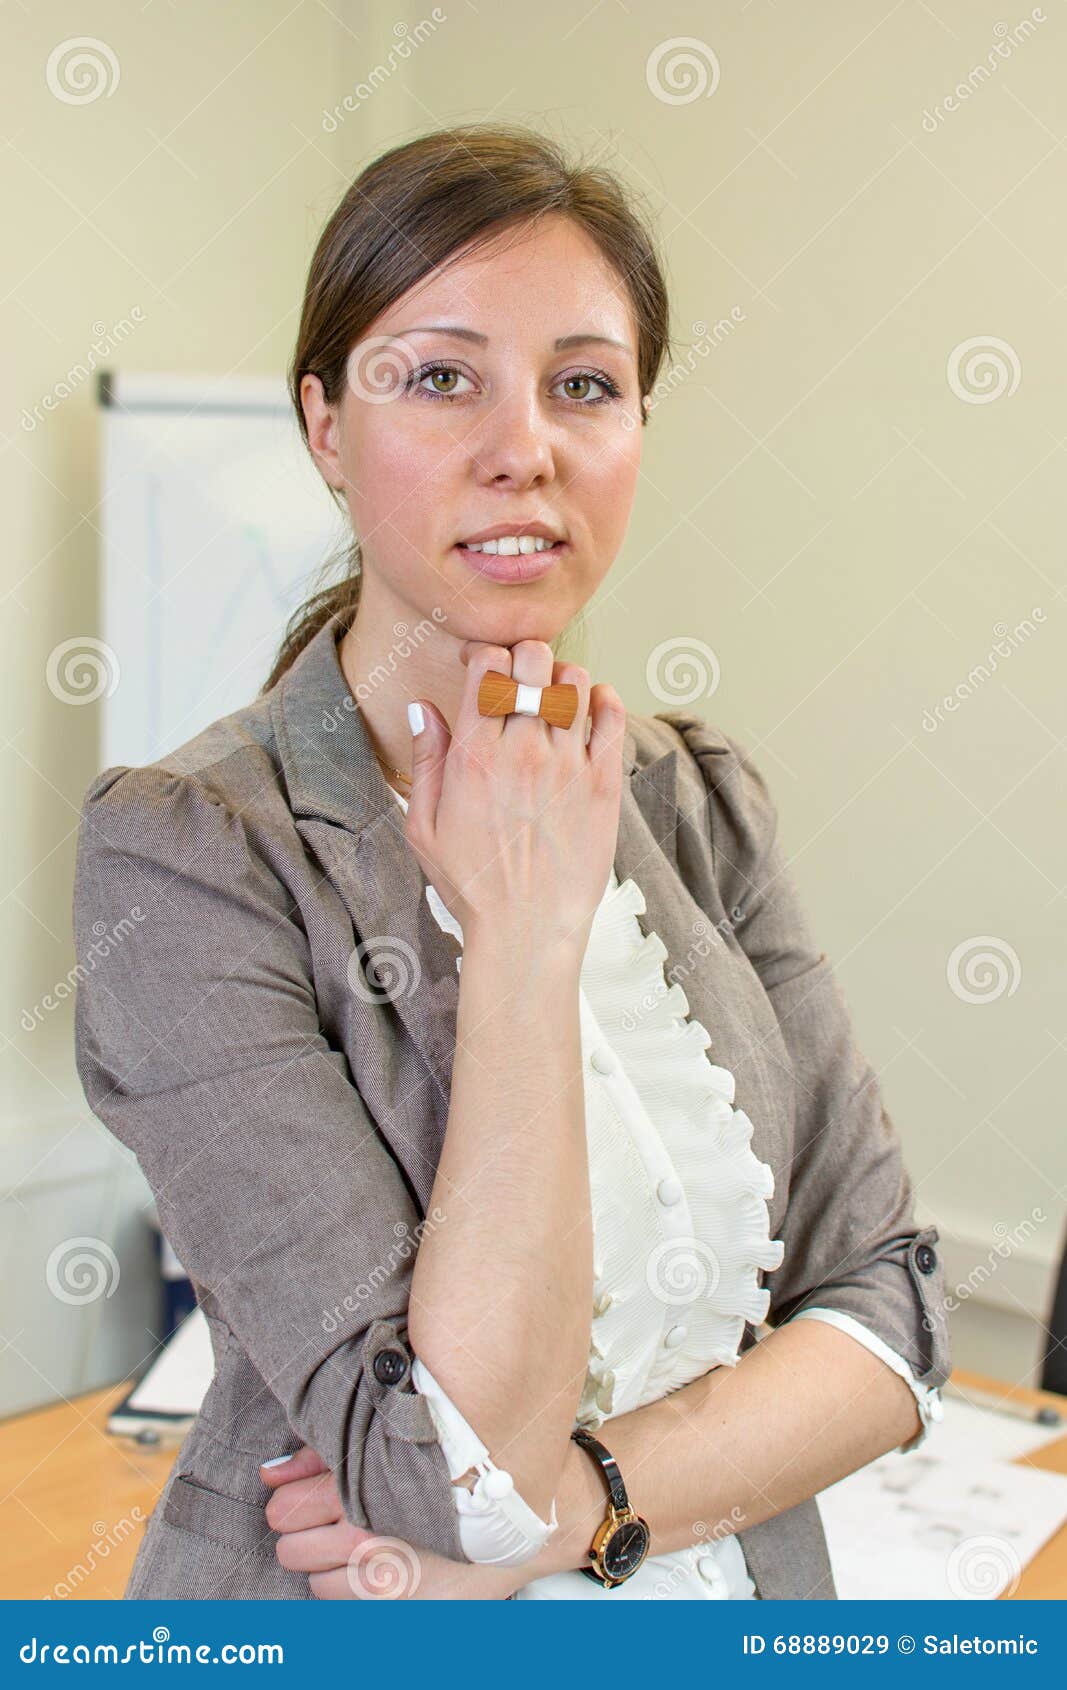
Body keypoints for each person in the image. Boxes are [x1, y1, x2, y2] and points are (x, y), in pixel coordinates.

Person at [73, 122, 949, 1602]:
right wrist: (529, 936)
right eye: (439, 375)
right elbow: (446, 1476)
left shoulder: (701, 803)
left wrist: (585, 1503)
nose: (523, 446)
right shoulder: (194, 852)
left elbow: (891, 1309)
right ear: (326, 429)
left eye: (585, 384)